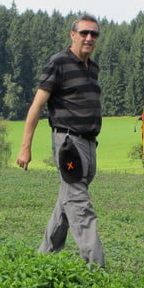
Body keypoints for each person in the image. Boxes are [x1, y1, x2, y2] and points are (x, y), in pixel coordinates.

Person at [16, 14, 105, 268]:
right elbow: (37, 106)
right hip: (69, 147)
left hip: (89, 144)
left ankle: (44, 259)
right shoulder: (58, 63)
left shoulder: (92, 68)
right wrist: (26, 147)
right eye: (84, 33)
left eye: (94, 34)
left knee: (68, 199)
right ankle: (96, 267)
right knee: (79, 203)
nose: (89, 38)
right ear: (73, 35)